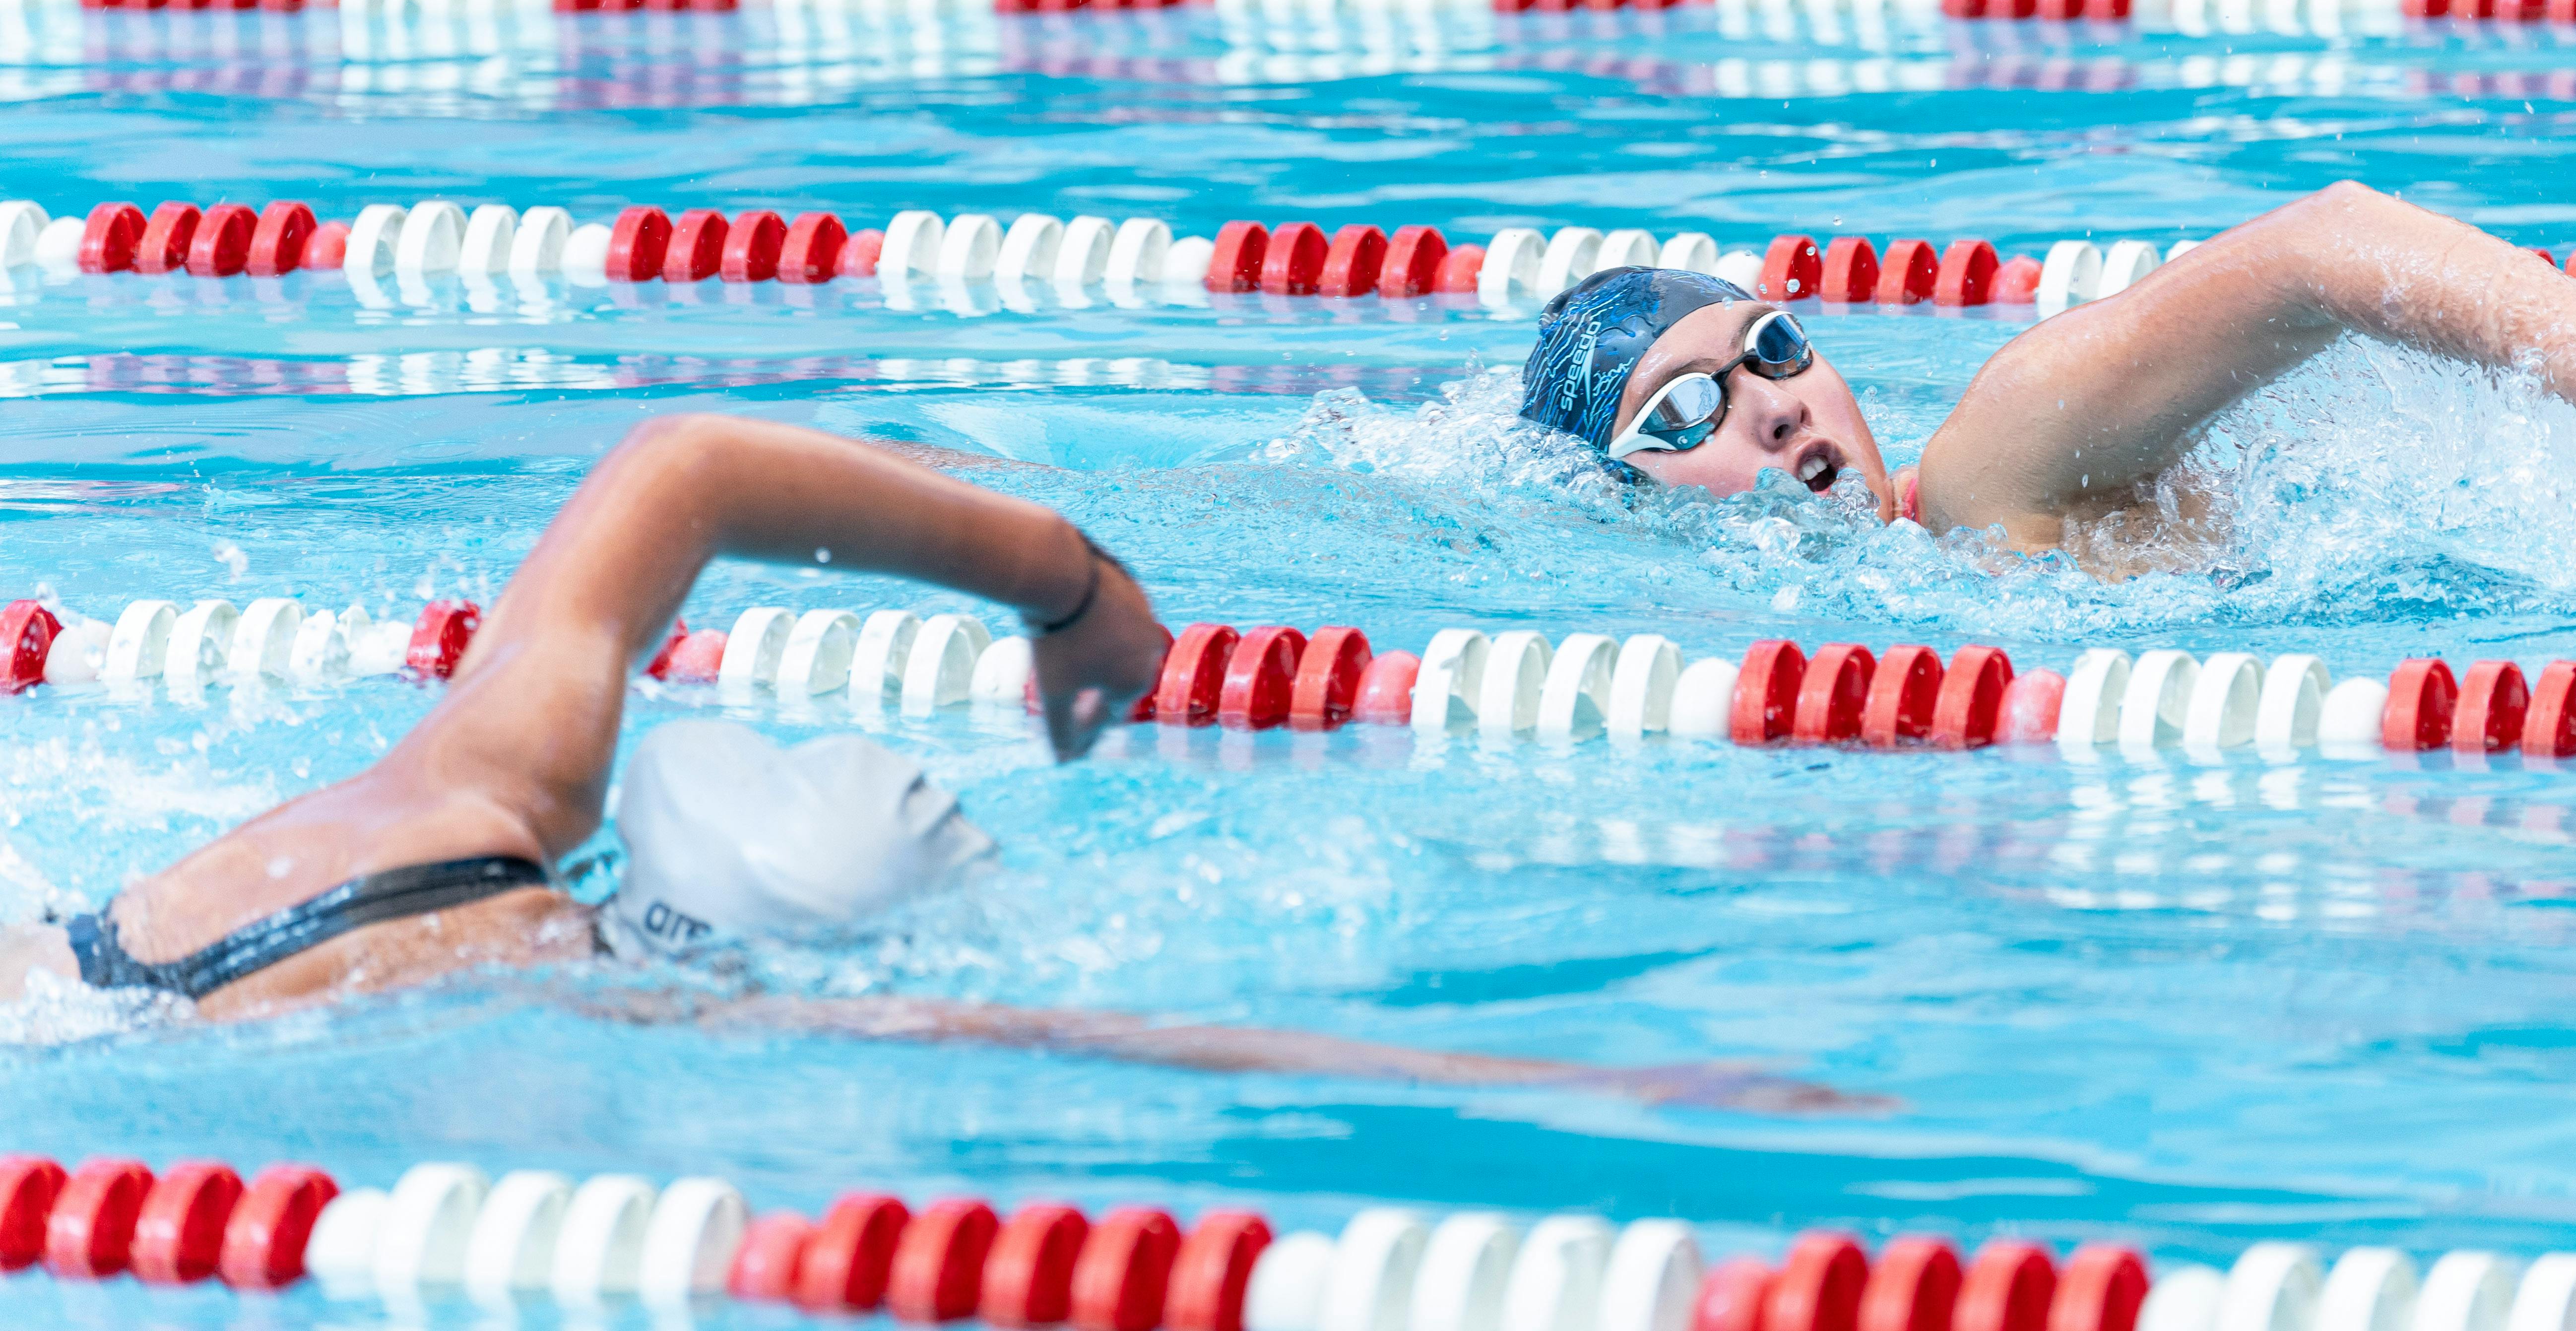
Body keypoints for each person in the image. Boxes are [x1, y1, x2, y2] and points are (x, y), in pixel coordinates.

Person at [0, 417, 1869, 1116]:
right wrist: (1592, 1080)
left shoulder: (463, 806)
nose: (825, 729)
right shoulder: (585, 966)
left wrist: (1068, 582)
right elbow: (1114, 1048)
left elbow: (684, 467)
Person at [1520, 182, 2576, 570]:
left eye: (1772, 347)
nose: (1773, 401)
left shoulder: (1992, 468)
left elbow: (2326, 247)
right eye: (1689, 409)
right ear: (1616, 499)